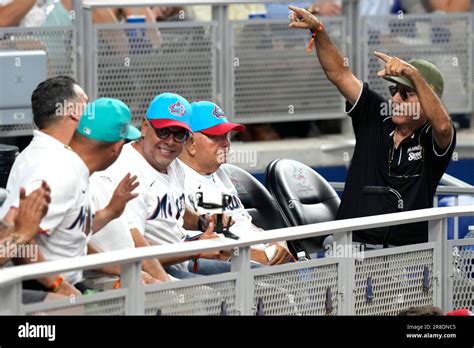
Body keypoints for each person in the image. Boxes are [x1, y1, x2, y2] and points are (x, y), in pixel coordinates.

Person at [288, 6, 456, 246]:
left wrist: (415, 76)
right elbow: (339, 73)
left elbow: (443, 127)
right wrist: (319, 30)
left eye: (406, 94)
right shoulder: (376, 116)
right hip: (351, 248)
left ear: (429, 101)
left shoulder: (432, 135)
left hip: (406, 258)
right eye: (394, 91)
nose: (396, 99)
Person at [2, 97, 141, 295]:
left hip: (66, 283)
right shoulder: (61, 173)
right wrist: (59, 286)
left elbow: (67, 229)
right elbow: (14, 235)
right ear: (116, 147)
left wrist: (109, 212)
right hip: (38, 288)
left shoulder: (74, 168)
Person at [90, 93, 234, 280]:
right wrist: (195, 248)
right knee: (214, 296)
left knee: (252, 275)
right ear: (144, 126)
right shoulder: (126, 171)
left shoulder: (174, 164)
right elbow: (136, 248)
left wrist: (202, 221)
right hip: (152, 269)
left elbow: (175, 209)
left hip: (182, 259)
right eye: (163, 131)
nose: (170, 141)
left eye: (179, 134)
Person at [179, 101, 292, 265]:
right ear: (191, 143)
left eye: (226, 135)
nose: (226, 143)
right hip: (227, 276)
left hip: (259, 264)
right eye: (215, 137)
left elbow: (243, 224)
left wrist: (275, 242)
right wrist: (262, 257)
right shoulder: (177, 180)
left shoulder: (220, 174)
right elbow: (204, 248)